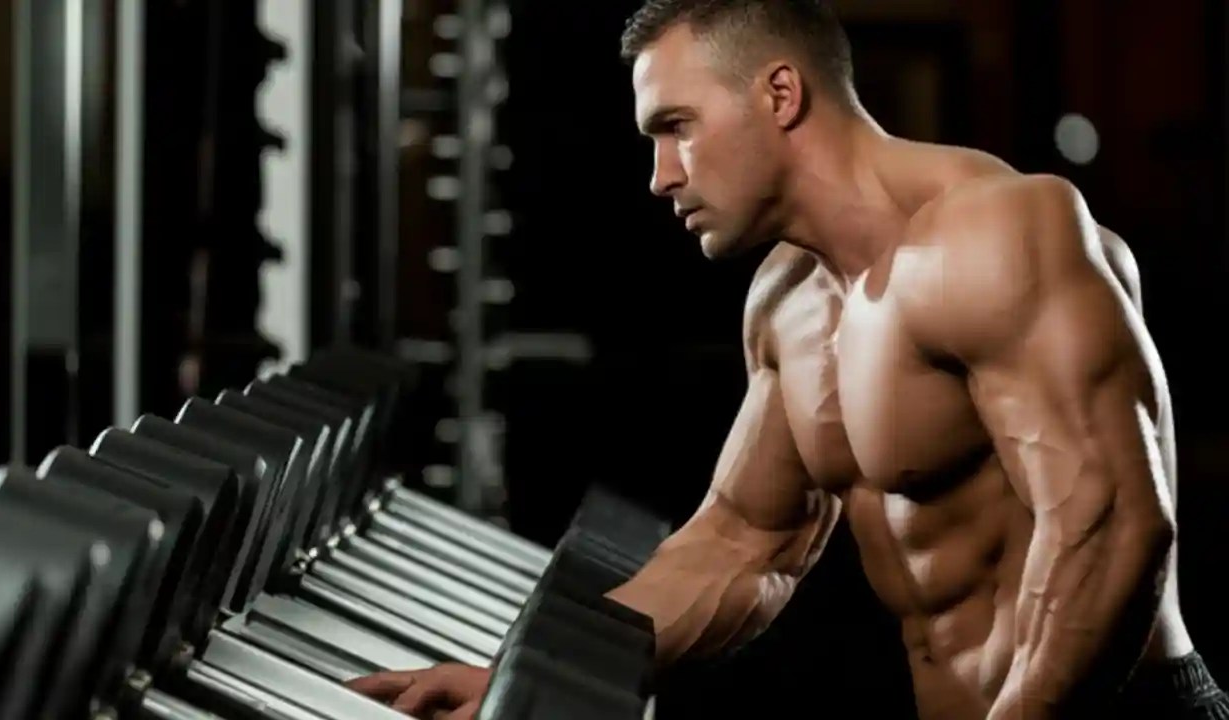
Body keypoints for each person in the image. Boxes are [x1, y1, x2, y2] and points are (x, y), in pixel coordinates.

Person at [348, 1, 1229, 717]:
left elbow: (1110, 524)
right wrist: (525, 676)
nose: (660, 175)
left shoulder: (1000, 233)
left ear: (779, 93)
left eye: (677, 127)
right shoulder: (790, 299)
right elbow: (745, 539)